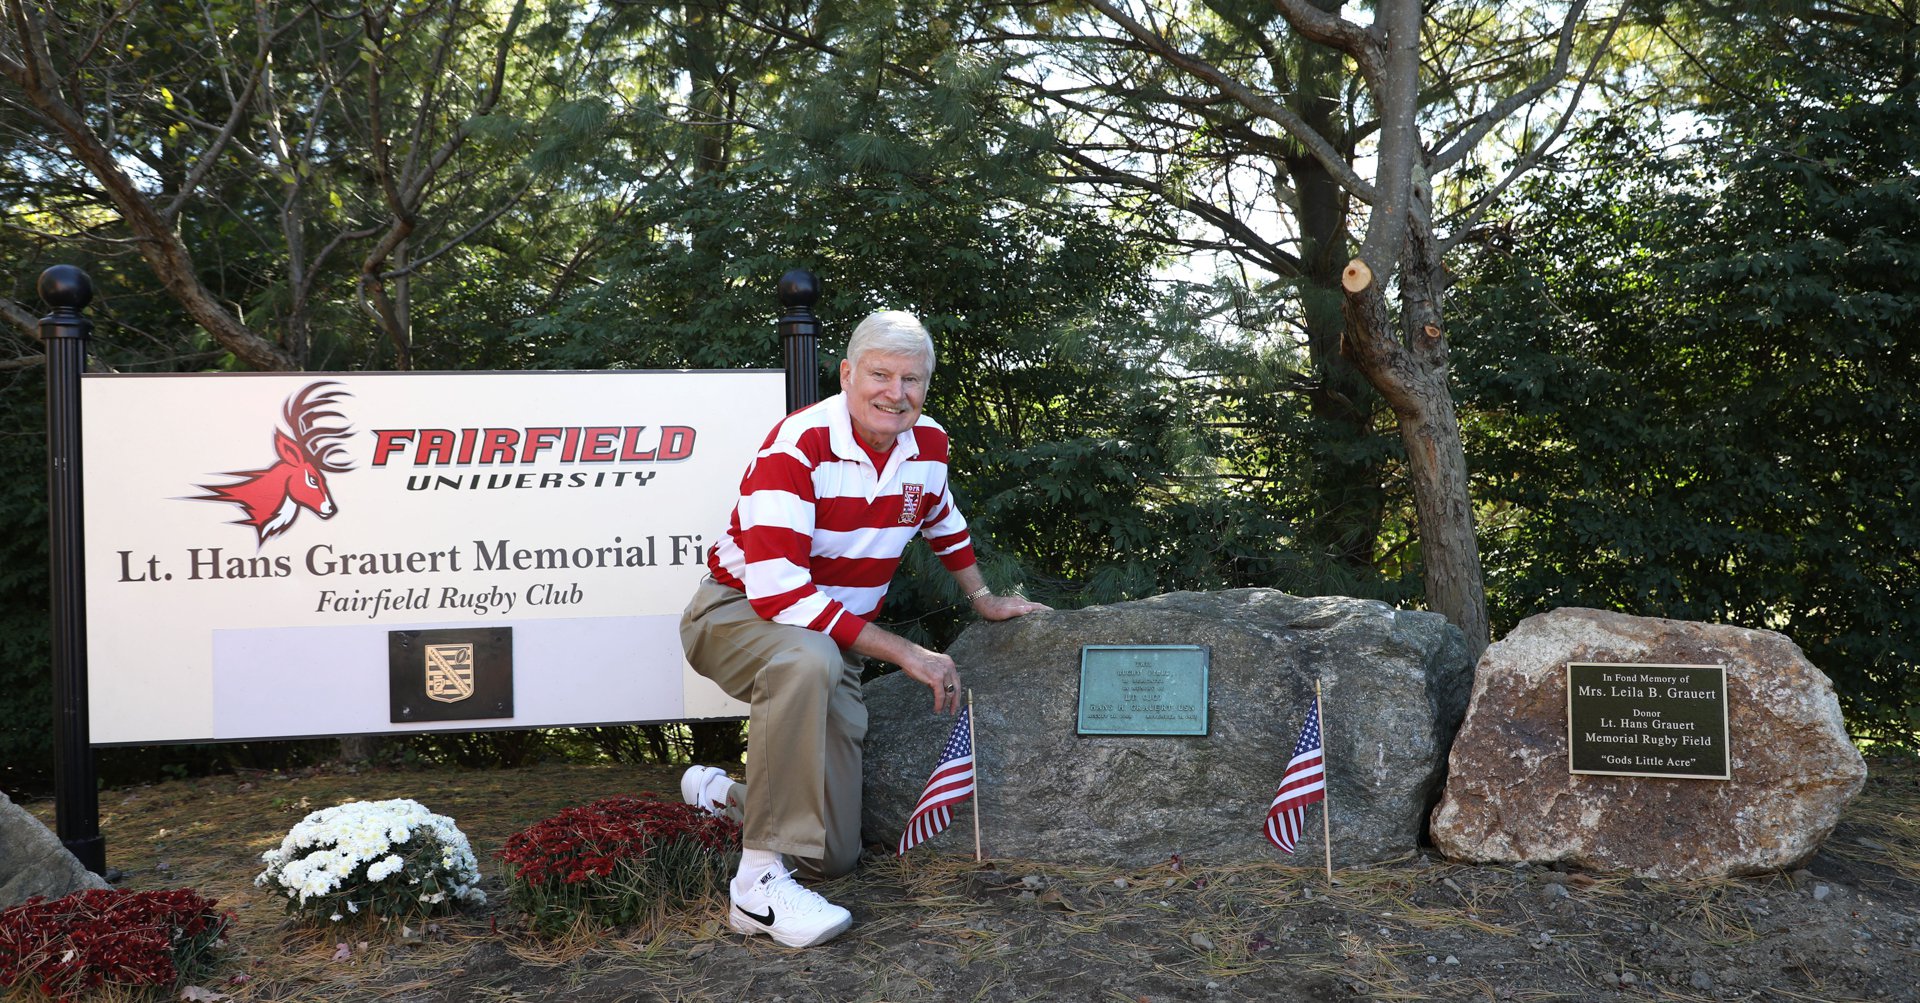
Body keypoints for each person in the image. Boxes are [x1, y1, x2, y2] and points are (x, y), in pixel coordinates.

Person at [677, 309, 1047, 948]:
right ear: (847, 374)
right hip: (735, 615)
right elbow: (781, 594)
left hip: (829, 641)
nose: (895, 394)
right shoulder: (797, 447)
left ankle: (728, 796)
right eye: (880, 374)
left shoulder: (926, 443)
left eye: (913, 379)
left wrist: (983, 598)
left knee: (833, 857)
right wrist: (906, 652)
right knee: (808, 660)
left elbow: (942, 519)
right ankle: (756, 888)